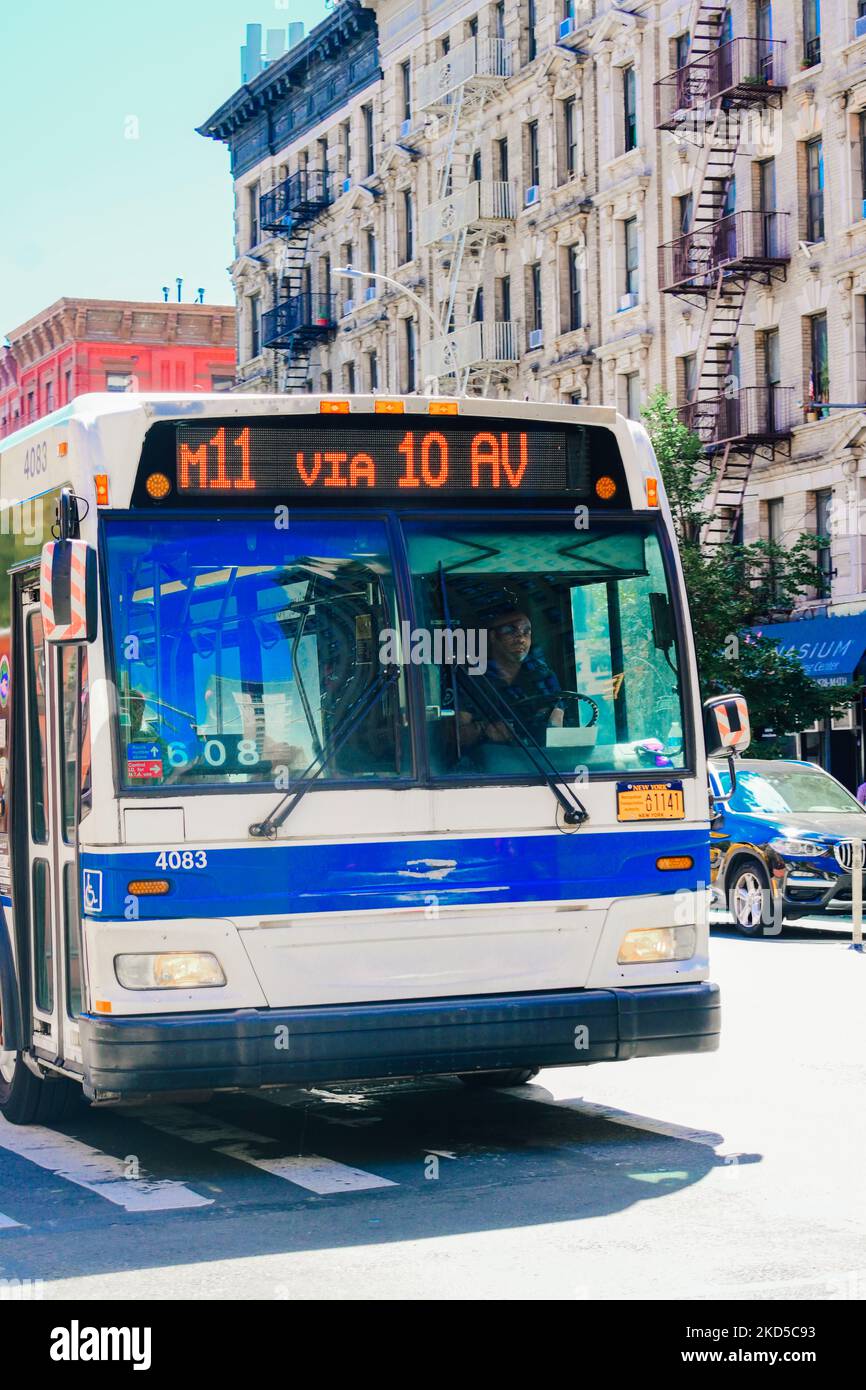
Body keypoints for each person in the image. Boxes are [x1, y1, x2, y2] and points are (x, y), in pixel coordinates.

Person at [458, 597, 564, 749]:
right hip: (490, 764)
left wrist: (554, 720)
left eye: (526, 632)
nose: (521, 638)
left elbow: (558, 718)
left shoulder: (543, 673)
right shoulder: (472, 677)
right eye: (511, 631)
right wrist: (484, 730)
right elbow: (454, 736)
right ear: (493, 637)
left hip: (543, 762)